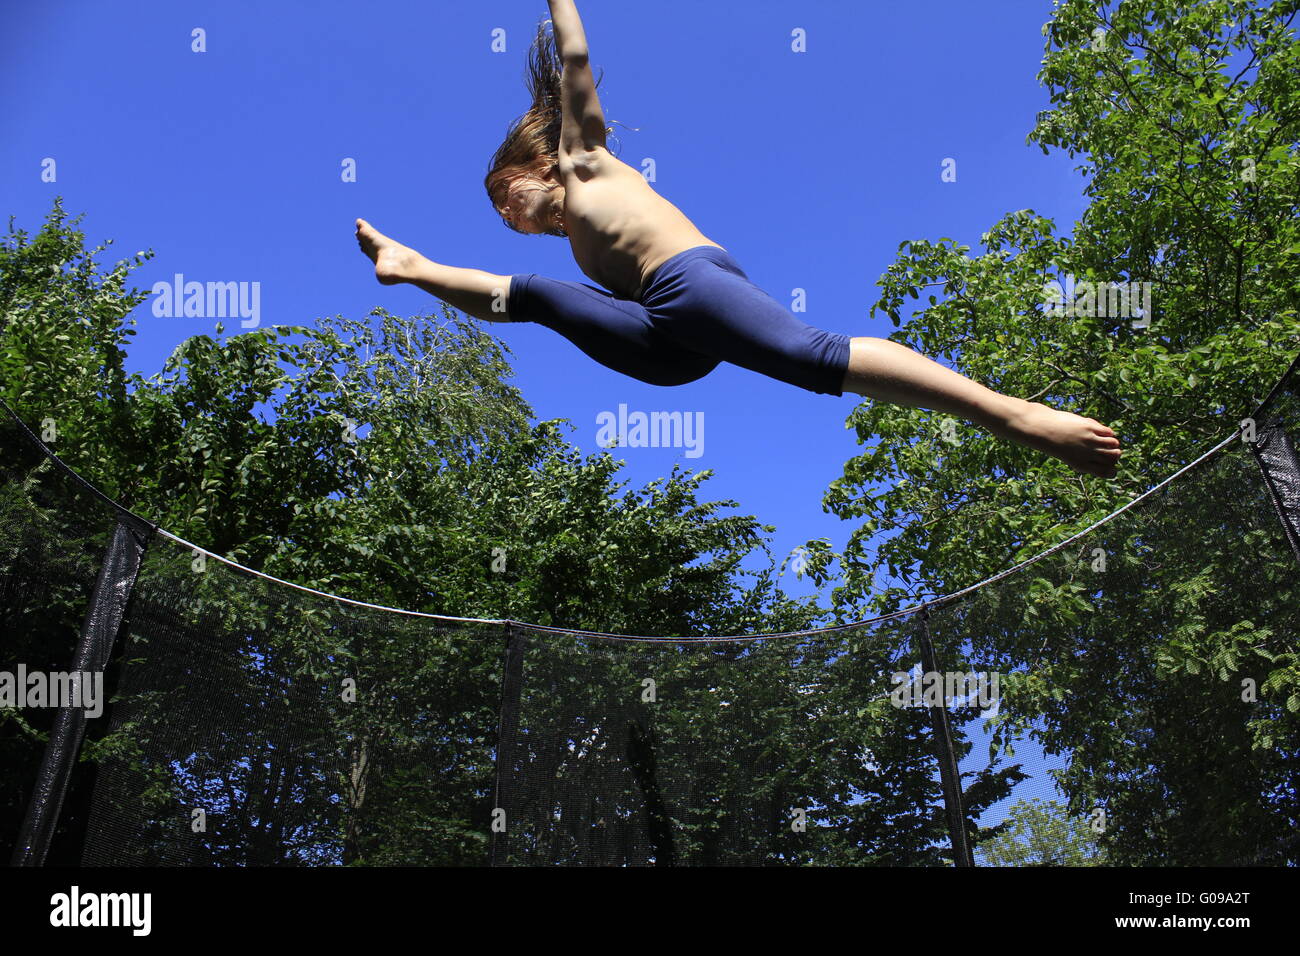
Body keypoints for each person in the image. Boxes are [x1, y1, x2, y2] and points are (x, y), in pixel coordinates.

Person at [356, 0, 1122, 477]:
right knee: (534, 297)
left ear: (535, 164)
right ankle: (413, 266)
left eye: (504, 199)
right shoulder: (573, 245)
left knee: (810, 357)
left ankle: (1012, 414)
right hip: (669, 352)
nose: (505, 218)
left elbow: (577, 59)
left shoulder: (585, 163)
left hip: (690, 285)